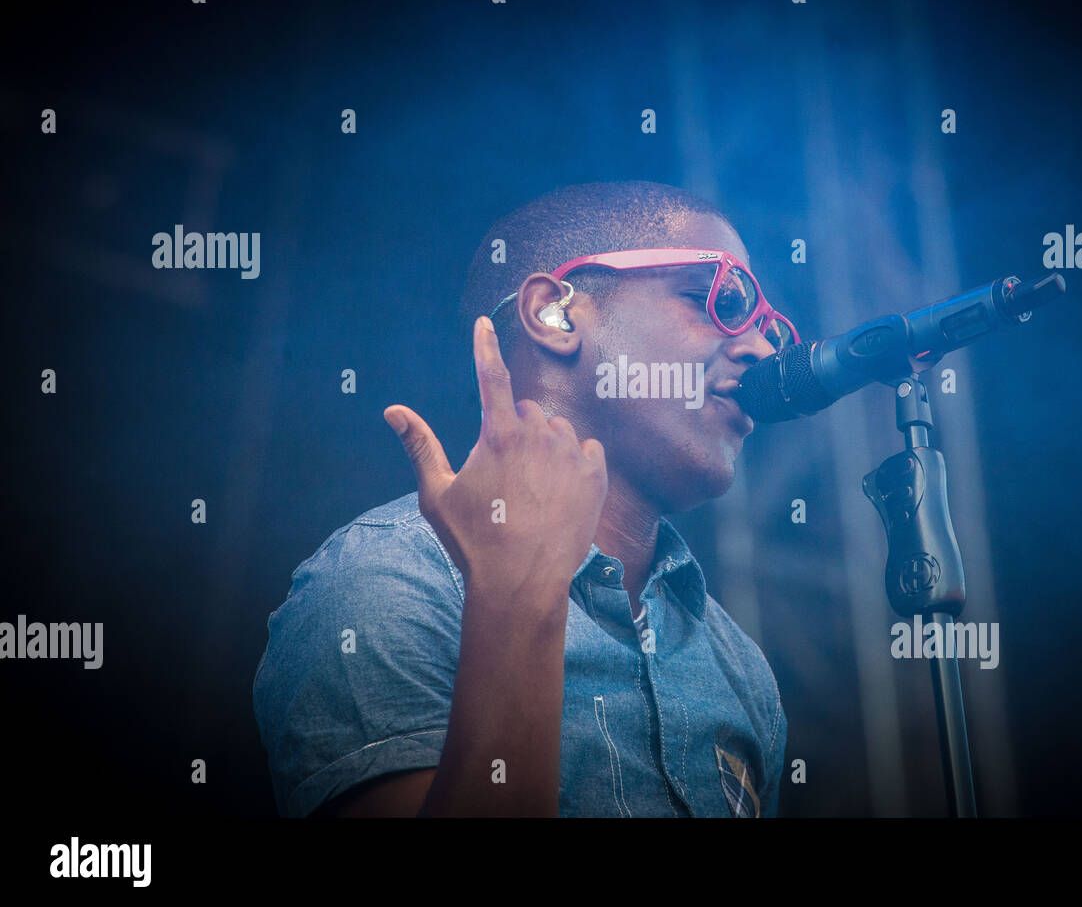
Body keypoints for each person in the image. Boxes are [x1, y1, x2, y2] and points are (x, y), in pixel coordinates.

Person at [253, 180, 793, 816]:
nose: (760, 348)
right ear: (552, 314)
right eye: (719, 298)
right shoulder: (385, 580)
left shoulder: (740, 668)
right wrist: (518, 590)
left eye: (771, 328)